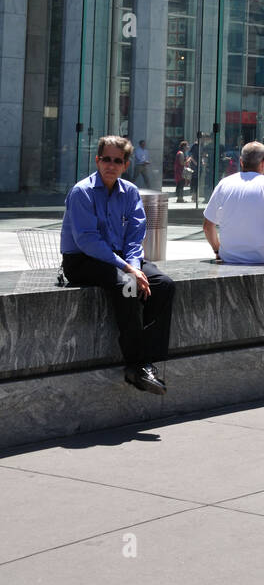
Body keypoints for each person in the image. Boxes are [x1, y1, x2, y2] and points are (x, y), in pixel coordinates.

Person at [60, 135, 175, 396]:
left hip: (121, 258)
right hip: (83, 260)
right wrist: (128, 270)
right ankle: (135, 365)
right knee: (127, 286)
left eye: (118, 161)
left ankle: (148, 360)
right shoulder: (82, 192)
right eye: (106, 159)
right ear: (97, 160)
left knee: (164, 285)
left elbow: (135, 237)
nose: (111, 165)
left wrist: (133, 266)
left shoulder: (130, 192)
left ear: (125, 164)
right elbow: (88, 241)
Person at [203, 142, 264, 265]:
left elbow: (207, 226)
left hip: (229, 256)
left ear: (241, 161)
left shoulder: (224, 184)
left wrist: (217, 250)